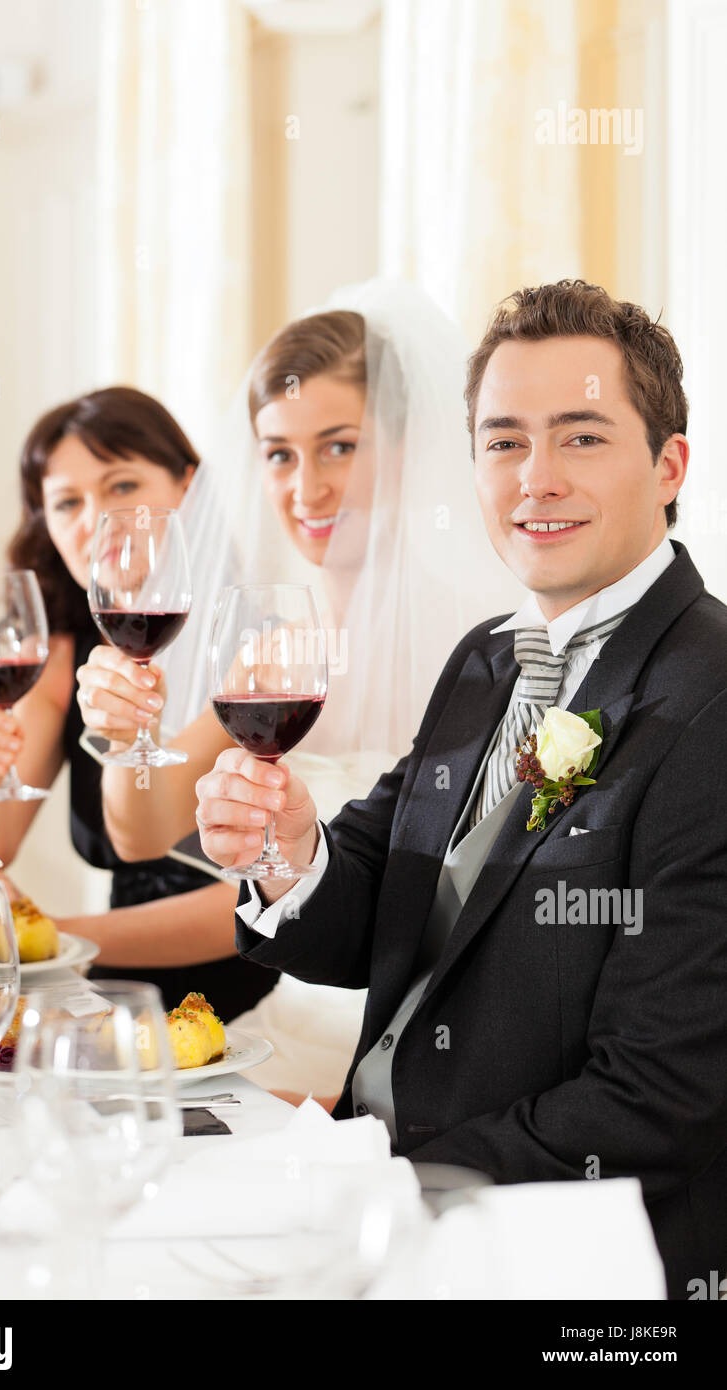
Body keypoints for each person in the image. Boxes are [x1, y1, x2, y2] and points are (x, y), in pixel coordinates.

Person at [195, 278, 727, 1298]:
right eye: (500, 441)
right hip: (380, 1200)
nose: (532, 479)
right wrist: (289, 851)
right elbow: (371, 910)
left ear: (668, 466)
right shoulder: (486, 658)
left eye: (578, 437)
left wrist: (386, 1182)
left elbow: (660, 1095)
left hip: (575, 1262)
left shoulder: (708, 702)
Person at [78, 281, 515, 1097]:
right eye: (279, 453)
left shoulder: (483, 654)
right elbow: (143, 831)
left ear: (411, 446)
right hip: (274, 1032)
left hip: (399, 1058)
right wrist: (124, 728)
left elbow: (410, 903)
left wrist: (74, 939)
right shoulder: (281, 652)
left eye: (339, 446)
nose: (304, 487)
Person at [0, 386, 278, 1019]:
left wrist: (59, 937)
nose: (96, 522)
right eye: (66, 503)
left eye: (121, 488)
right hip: (110, 989)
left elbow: (261, 896)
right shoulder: (62, 654)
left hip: (244, 990)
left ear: (187, 489)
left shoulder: (261, 643)